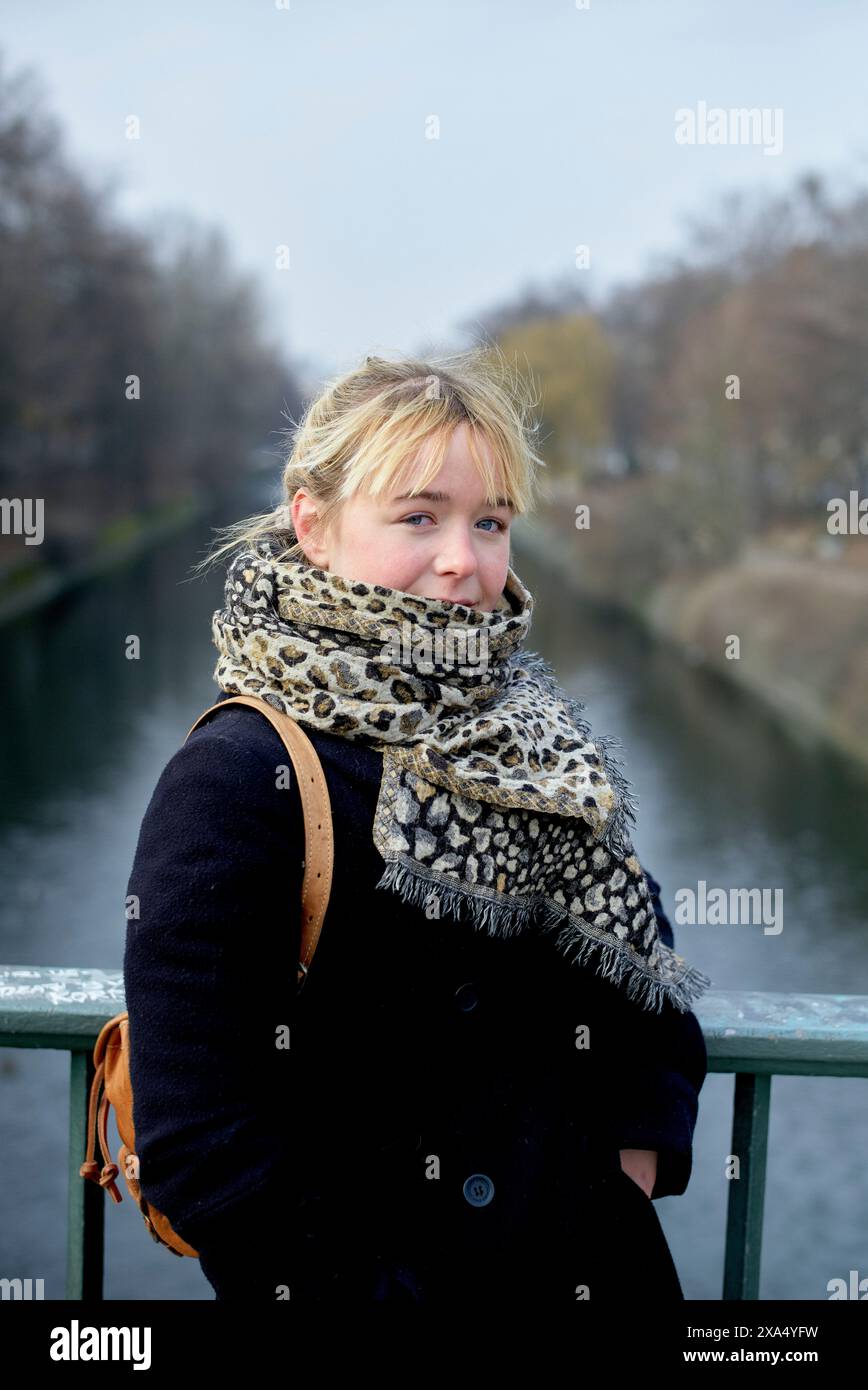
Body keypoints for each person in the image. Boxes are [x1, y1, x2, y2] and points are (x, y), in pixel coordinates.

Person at [123, 347, 711, 1301]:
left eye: (490, 522)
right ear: (313, 525)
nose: (462, 560)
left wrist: (627, 1173)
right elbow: (201, 1143)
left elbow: (640, 984)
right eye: (418, 518)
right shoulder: (240, 774)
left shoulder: (537, 739)